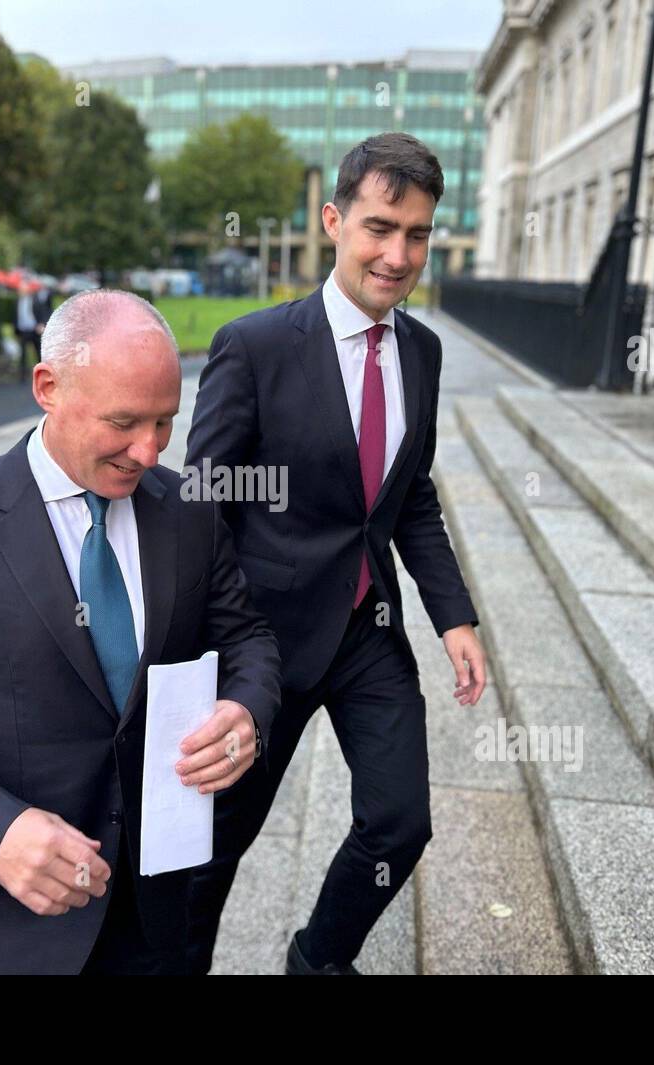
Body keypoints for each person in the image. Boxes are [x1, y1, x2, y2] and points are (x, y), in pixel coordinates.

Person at [0, 289, 280, 975]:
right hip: (20, 921)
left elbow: (249, 638)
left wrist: (246, 711)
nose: (148, 449)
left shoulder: (188, 512)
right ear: (48, 387)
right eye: (124, 421)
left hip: (159, 907)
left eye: (166, 422)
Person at [183, 132, 488, 975]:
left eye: (418, 234)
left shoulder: (421, 352)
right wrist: (215, 649)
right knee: (213, 847)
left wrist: (453, 615)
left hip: (367, 630)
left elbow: (409, 495)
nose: (398, 254)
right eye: (380, 227)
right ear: (334, 220)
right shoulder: (256, 345)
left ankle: (318, 961)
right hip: (262, 643)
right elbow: (203, 498)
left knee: (400, 821)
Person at [15, 278, 53, 371]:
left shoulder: (35, 299)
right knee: (23, 354)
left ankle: (42, 371)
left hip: (34, 329)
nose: (20, 289)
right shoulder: (17, 301)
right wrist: (16, 329)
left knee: (38, 352)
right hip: (23, 330)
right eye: (20, 288)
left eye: (22, 287)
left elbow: (43, 312)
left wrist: (41, 324)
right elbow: (16, 316)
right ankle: (22, 374)